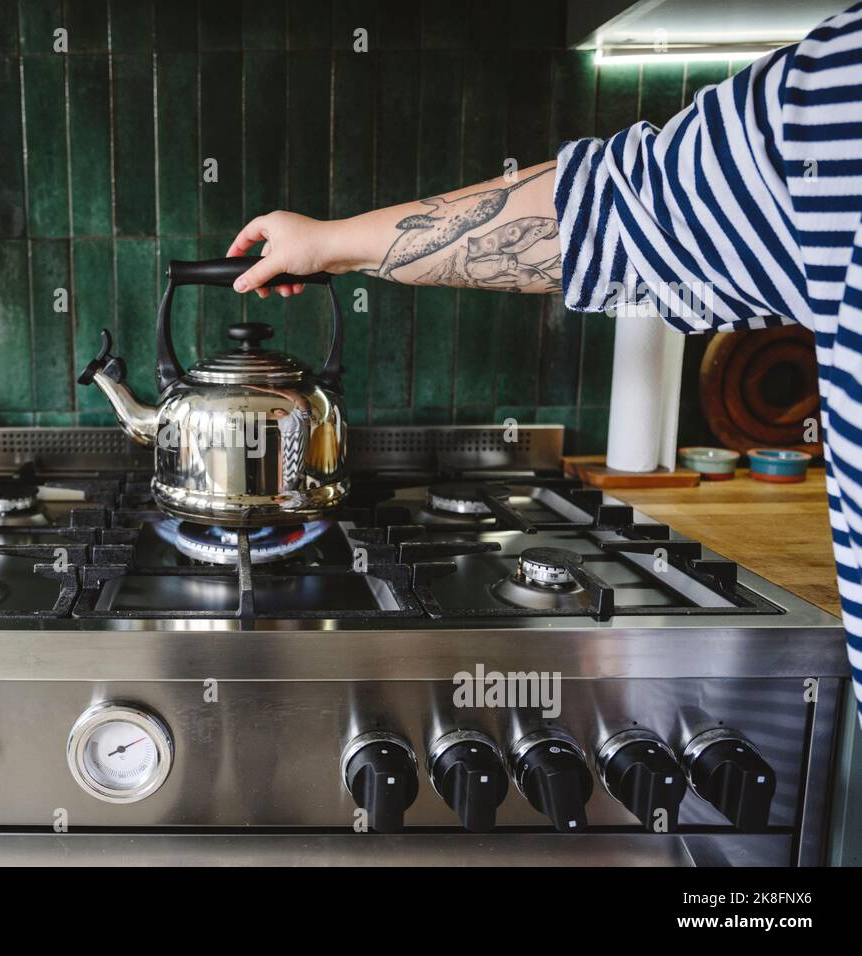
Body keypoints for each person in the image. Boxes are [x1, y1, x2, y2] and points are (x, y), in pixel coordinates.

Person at [227, 3, 862, 726]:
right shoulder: (843, 87)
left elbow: (611, 215)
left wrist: (333, 244)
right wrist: (330, 245)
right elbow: (612, 215)